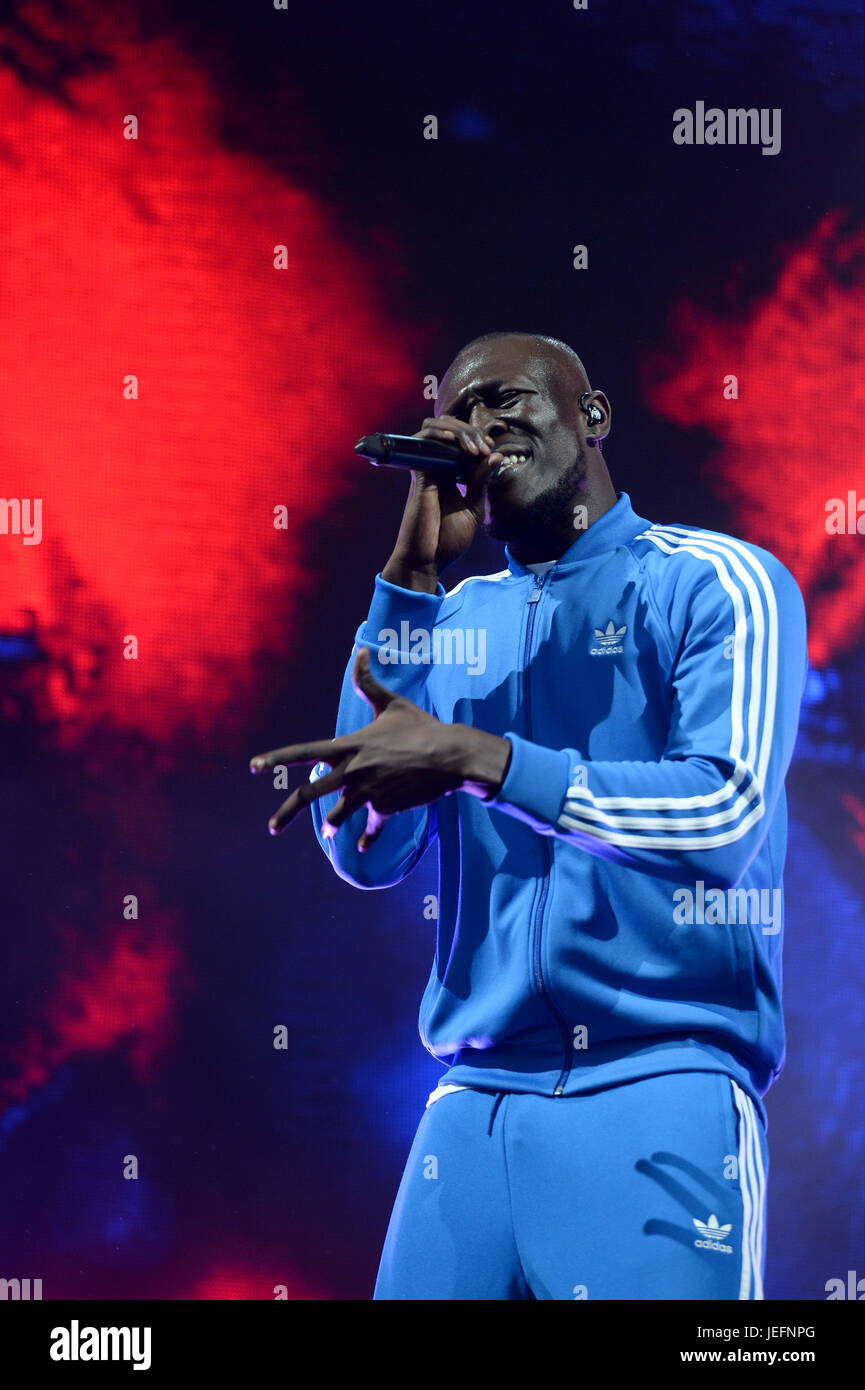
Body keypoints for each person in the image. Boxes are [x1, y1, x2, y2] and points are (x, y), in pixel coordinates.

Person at [250, 331, 808, 1300]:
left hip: (658, 1080)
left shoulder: (717, 579)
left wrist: (483, 758)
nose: (478, 424)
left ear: (591, 417)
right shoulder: (451, 621)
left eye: (505, 398)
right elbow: (362, 850)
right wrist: (409, 587)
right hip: (474, 1100)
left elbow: (722, 816)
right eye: (458, 411)